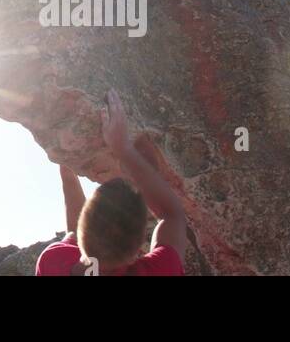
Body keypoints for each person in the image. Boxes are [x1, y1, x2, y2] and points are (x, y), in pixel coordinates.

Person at [35, 90, 187, 276]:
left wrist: (67, 162)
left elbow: (73, 232)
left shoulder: (52, 263)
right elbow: (172, 214)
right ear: (137, 249)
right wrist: (123, 148)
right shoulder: (160, 269)